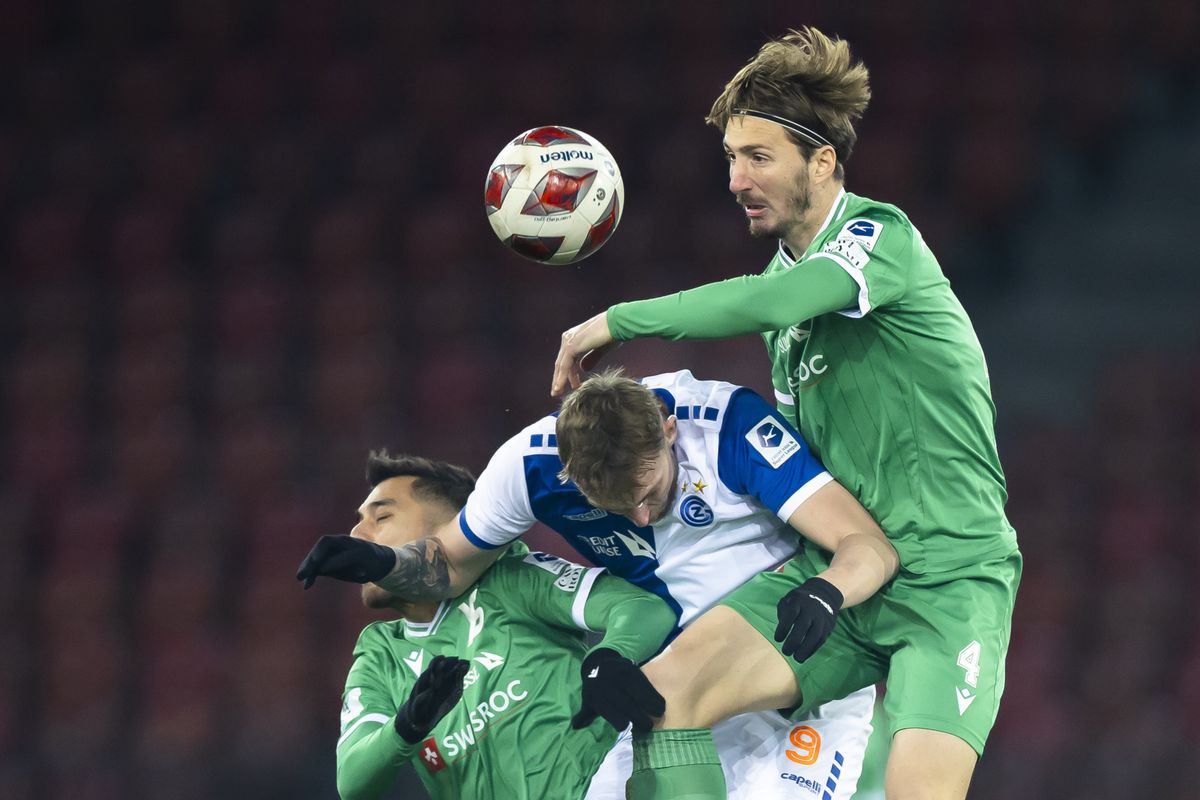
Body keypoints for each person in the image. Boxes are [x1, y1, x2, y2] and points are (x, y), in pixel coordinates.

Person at [549, 26, 1021, 800]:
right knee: (660, 701)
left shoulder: (880, 239)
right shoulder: (784, 291)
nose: (737, 180)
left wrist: (617, 320)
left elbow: (768, 299)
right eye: (731, 158)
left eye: (758, 157)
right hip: (841, 568)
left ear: (823, 162)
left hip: (951, 578)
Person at [300, 368, 898, 799]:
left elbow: (867, 545)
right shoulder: (529, 467)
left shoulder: (728, 425)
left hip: (793, 664)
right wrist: (380, 564)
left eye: (648, 494)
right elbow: (448, 562)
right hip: (683, 684)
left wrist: (830, 589)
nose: (640, 518)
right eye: (614, 505)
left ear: (668, 431)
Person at [307, 450, 677, 800]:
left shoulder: (508, 576)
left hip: (604, 784)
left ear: (450, 527)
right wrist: (408, 725)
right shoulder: (380, 654)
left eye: (381, 517)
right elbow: (353, 781)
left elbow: (643, 607)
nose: (357, 535)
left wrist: (609, 656)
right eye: (358, 521)